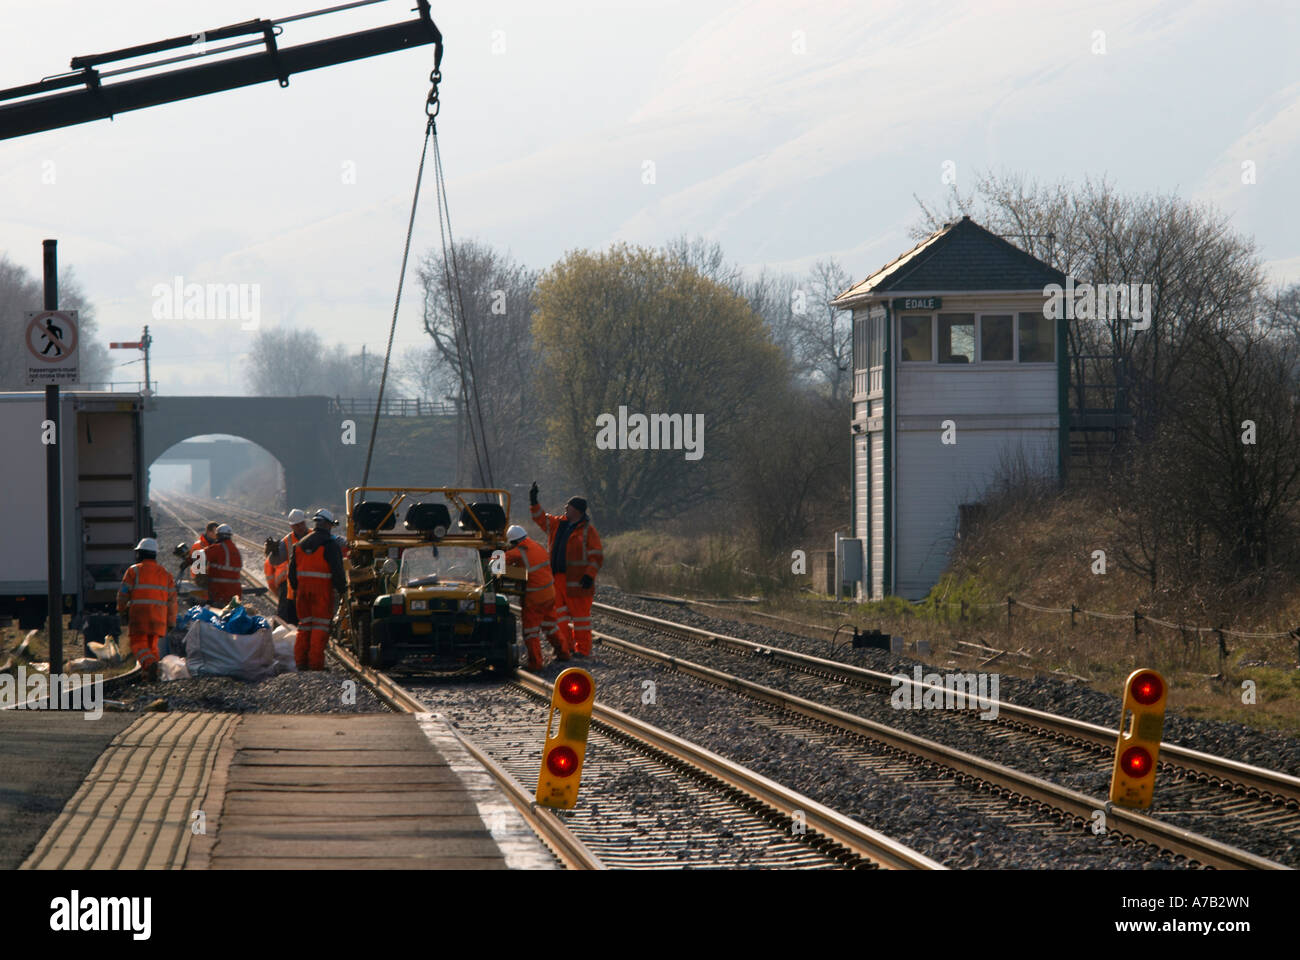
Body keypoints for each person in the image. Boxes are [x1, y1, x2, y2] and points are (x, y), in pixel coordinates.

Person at [529, 483, 603, 657]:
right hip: (557, 580)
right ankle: (565, 648)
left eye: (568, 507)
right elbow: (540, 518)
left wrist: (589, 576)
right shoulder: (558, 524)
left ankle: (582, 650)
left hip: (578, 583)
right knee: (559, 618)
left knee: (581, 620)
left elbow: (596, 556)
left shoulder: (587, 531)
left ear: (576, 510)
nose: (565, 509)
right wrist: (533, 501)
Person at [289, 508, 347, 671]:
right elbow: (337, 571)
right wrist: (342, 589)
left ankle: (300, 662)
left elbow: (291, 573)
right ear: (328, 525)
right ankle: (315, 665)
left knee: (304, 626)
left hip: (302, 593)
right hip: (321, 592)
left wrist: (296, 589)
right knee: (320, 627)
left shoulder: (299, 545)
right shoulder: (330, 545)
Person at [505, 524, 568, 671]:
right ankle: (563, 653)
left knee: (531, 632)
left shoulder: (517, 552)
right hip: (549, 594)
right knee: (551, 626)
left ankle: (536, 663)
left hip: (534, 598)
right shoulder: (536, 546)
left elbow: (495, 567)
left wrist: (498, 551)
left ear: (513, 542)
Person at [117, 538, 178, 681]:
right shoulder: (165, 574)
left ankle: (150, 664)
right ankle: (151, 674)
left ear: (140, 554)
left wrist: (121, 609)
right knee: (152, 646)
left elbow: (123, 593)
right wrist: (171, 622)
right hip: (159, 618)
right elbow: (173, 601)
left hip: (140, 616)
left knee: (138, 643)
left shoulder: (133, 571)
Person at [266, 508, 309, 624]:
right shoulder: (287, 541)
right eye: (297, 525)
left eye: (302, 523)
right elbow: (274, 561)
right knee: (289, 620)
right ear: (291, 526)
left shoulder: (314, 535)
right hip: (294, 588)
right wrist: (273, 553)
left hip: (311, 585)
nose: (300, 527)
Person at [203, 523, 243, 608]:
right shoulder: (235, 550)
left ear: (218, 535)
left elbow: (199, 556)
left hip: (219, 591)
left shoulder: (218, 548)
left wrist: (188, 560)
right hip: (235, 593)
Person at [180, 521, 220, 602]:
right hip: (202, 580)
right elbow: (198, 569)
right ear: (209, 532)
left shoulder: (215, 545)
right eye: (216, 532)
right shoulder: (199, 546)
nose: (217, 535)